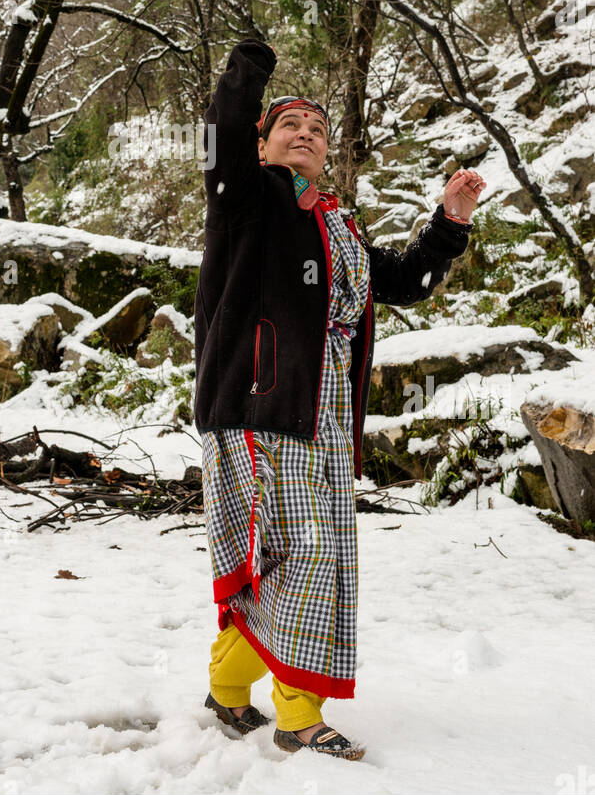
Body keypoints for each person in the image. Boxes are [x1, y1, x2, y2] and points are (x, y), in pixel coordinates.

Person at [194, 38, 486, 758]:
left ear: (329, 153)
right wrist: (249, 68)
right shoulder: (247, 199)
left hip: (323, 414)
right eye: (289, 125)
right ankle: (298, 715)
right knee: (308, 554)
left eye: (318, 129)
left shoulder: (336, 222)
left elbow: (404, 281)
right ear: (260, 143)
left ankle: (228, 686)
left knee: (305, 558)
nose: (305, 134)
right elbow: (220, 138)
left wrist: (448, 221)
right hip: (259, 404)